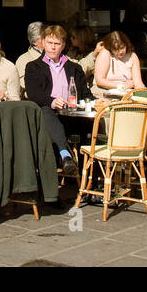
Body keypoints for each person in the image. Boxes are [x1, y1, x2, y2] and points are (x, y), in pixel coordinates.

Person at [23, 24, 89, 177]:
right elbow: (34, 94)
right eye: (50, 43)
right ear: (43, 42)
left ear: (63, 45)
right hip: (46, 116)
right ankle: (65, 154)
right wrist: (52, 101)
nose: (53, 47)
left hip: (72, 115)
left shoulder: (74, 68)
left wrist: (93, 102)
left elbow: (85, 93)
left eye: (57, 44)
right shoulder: (33, 67)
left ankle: (92, 181)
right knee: (45, 110)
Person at [92, 30, 144, 97]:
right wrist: (122, 86)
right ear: (110, 48)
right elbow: (100, 81)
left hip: (125, 95)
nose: (120, 52)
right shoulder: (105, 53)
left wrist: (144, 94)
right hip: (103, 93)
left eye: (122, 48)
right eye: (115, 49)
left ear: (126, 44)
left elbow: (138, 83)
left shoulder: (132, 56)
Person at [14, 21, 44, 95]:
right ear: (35, 42)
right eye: (44, 38)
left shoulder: (55, 55)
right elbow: (25, 86)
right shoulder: (23, 60)